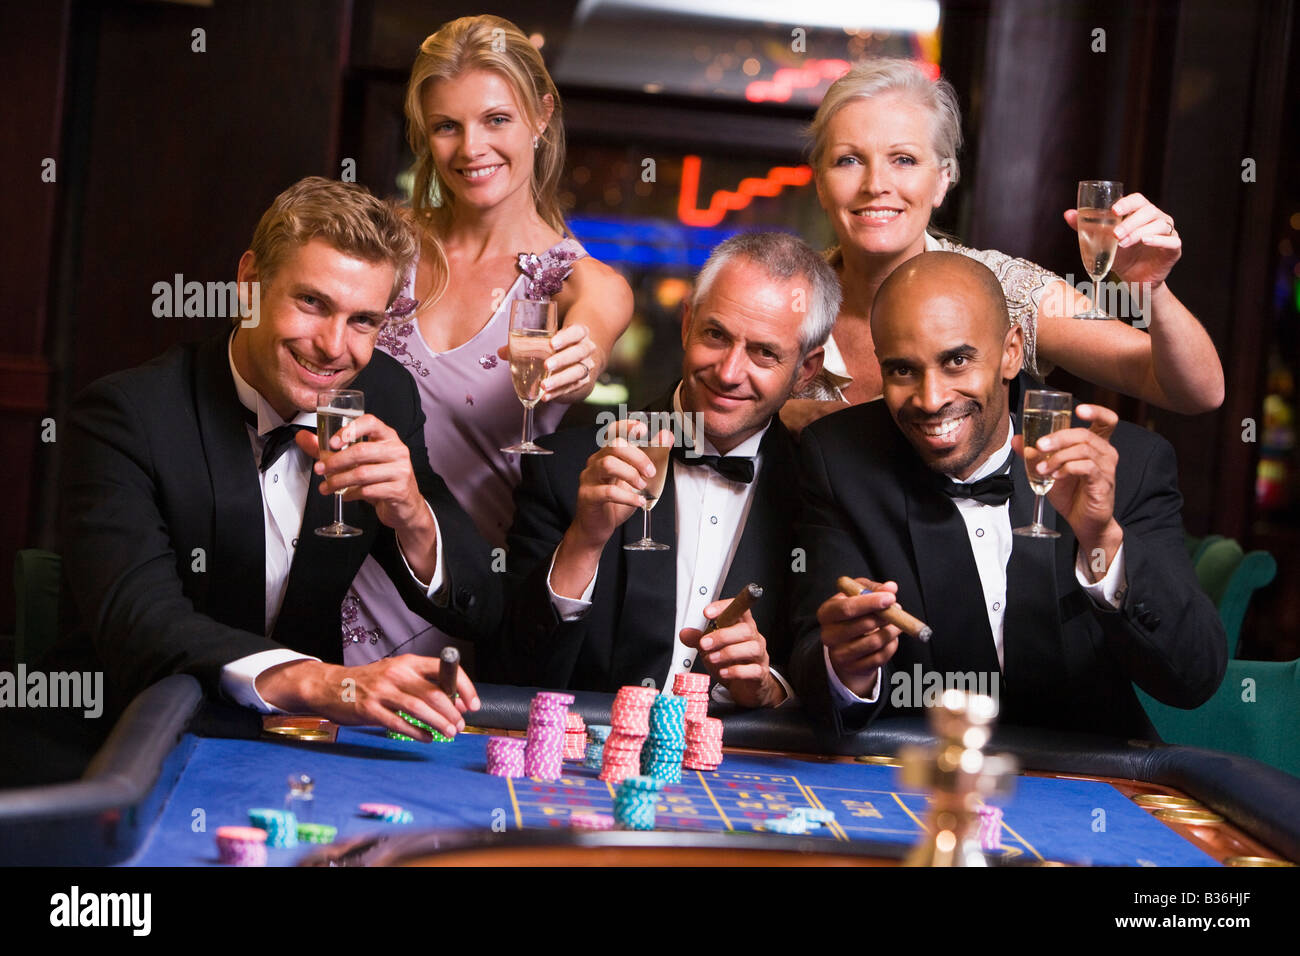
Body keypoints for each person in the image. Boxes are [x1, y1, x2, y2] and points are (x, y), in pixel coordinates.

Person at [49, 177, 493, 761]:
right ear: (251, 283)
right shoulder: (127, 417)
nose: (335, 347)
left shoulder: (382, 393)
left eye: (364, 320)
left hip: (299, 752)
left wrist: (411, 513)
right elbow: (141, 625)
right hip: (134, 746)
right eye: (312, 303)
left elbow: (484, 601)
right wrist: (326, 682)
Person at [788, 251, 1226, 738]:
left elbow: (1194, 678)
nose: (931, 399)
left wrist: (1101, 538)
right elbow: (813, 661)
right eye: (903, 371)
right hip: (915, 778)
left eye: (957, 360)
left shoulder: (1123, 459)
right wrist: (848, 667)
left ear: (1011, 352)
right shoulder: (840, 459)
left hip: (1089, 783)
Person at [343, 14, 633, 665]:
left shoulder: (582, 284)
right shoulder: (385, 241)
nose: (471, 147)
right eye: (447, 126)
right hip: (331, 567)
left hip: (455, 597)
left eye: (496, 119)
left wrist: (578, 357)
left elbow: (587, 343)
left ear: (541, 115)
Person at [781, 57, 1224, 434]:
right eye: (849, 160)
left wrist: (1154, 290)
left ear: (943, 181)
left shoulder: (1006, 288)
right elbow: (711, 412)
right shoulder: (779, 299)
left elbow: (1195, 392)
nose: (876, 185)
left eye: (904, 160)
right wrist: (774, 415)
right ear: (820, 183)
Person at [500, 232, 837, 705]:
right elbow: (512, 671)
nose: (728, 372)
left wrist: (768, 690)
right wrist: (585, 540)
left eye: (764, 352)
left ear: (806, 368)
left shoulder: (825, 494)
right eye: (716, 336)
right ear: (687, 325)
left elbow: (837, 692)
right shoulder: (567, 464)